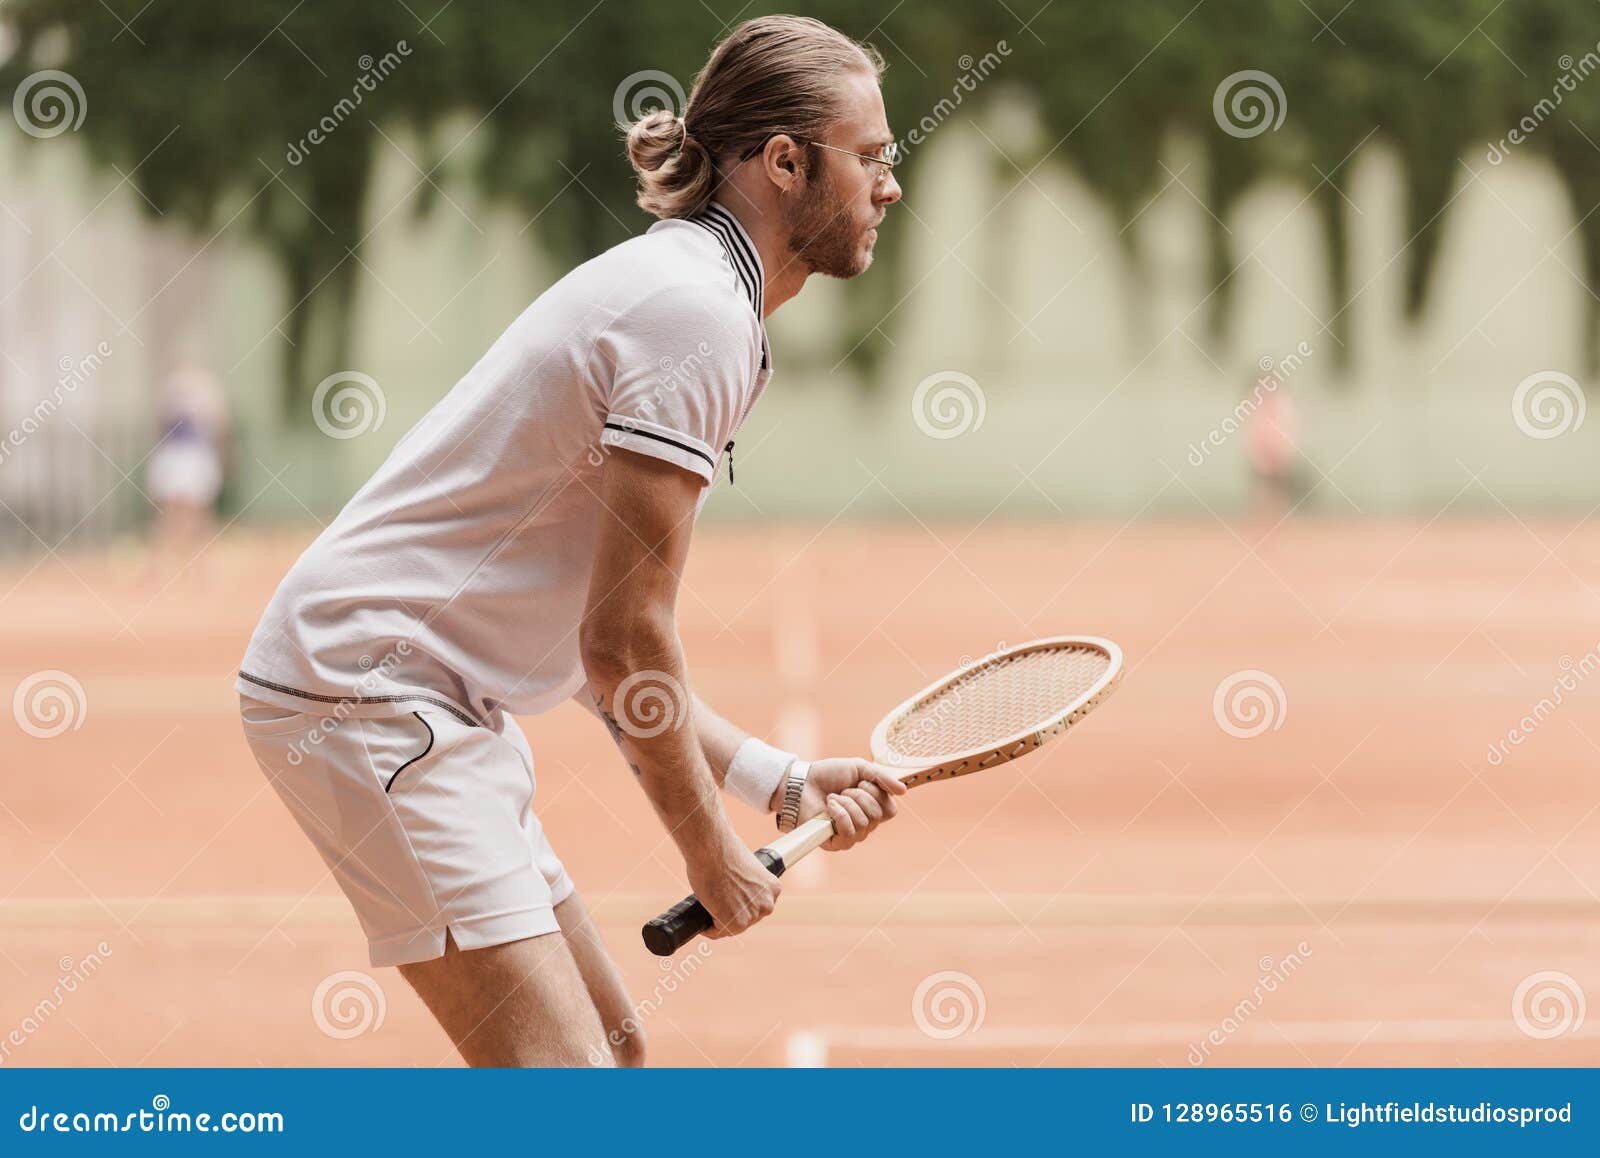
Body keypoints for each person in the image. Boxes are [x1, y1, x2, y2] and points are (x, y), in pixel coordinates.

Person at [235, 15, 904, 1067]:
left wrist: (776, 784)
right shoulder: (694, 317)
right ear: (784, 162)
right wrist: (712, 858)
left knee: (612, 1052)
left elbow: (588, 638)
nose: (889, 185)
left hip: (432, 697)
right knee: (564, 1091)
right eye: (870, 157)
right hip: (365, 692)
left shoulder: (697, 295)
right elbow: (626, 645)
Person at [144, 362, 231, 586]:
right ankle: (162, 568)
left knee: (196, 515)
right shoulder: (176, 390)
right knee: (173, 515)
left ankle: (201, 569)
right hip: (178, 456)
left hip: (193, 456)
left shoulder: (202, 391)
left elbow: (218, 427)